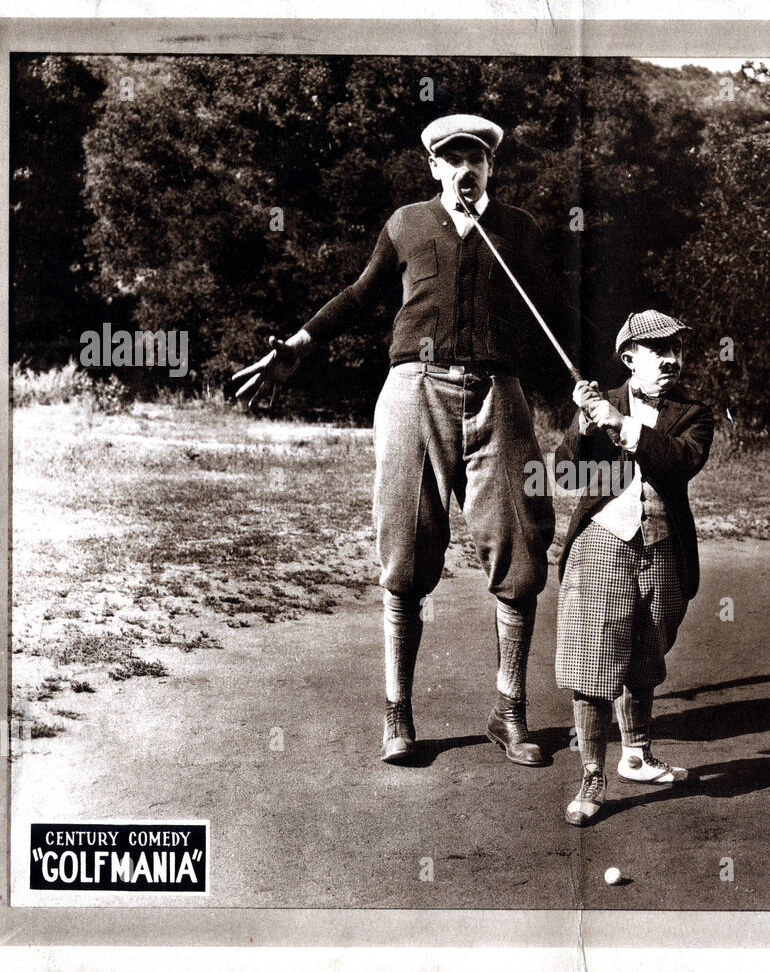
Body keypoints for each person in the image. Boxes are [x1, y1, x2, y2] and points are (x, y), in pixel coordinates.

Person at [234, 113, 571, 767]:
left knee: (521, 547)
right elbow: (360, 296)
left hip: (499, 391)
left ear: (491, 166)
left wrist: (619, 371)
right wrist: (297, 347)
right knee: (407, 549)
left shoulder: (518, 230)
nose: (465, 165)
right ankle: (399, 710)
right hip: (414, 389)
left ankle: (509, 708)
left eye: (477, 155)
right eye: (452, 156)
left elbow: (559, 310)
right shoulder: (407, 223)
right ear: (434, 167)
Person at [552, 310, 715, 825]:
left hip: (664, 545)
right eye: (658, 350)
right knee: (593, 660)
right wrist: (582, 425)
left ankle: (637, 754)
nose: (672, 359)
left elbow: (680, 461)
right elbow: (564, 472)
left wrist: (626, 427)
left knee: (648, 649)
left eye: (677, 349)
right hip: (603, 541)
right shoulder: (600, 405)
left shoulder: (693, 413)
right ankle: (593, 774)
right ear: (629, 358)